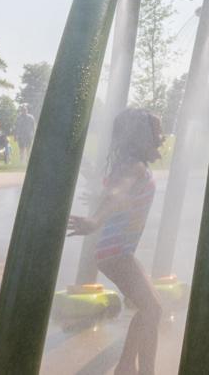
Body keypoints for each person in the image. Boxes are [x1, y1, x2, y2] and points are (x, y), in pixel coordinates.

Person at [68, 109, 164, 375]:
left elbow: (114, 191)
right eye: (157, 132)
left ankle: (127, 367)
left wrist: (100, 200)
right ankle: (140, 370)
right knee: (152, 309)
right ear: (140, 137)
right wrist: (96, 220)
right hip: (116, 253)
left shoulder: (129, 165)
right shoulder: (135, 167)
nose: (163, 138)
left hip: (117, 252)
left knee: (150, 309)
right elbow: (118, 193)